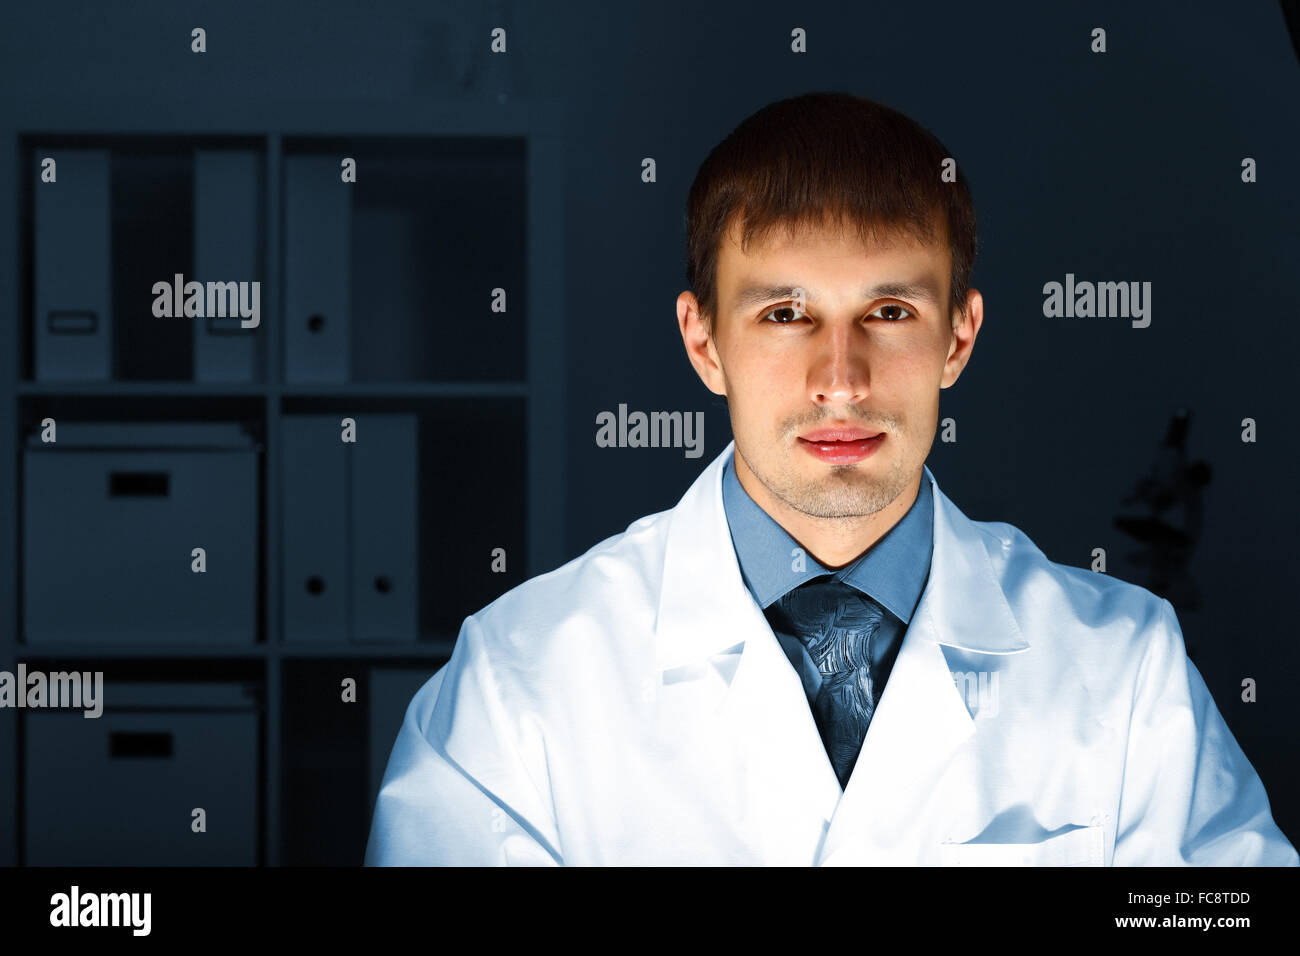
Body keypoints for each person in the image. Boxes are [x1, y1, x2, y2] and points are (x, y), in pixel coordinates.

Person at [364, 92, 1297, 866]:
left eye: (888, 310)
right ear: (704, 342)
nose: (840, 379)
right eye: (783, 314)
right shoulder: (519, 683)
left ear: (958, 338)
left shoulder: (1123, 667)